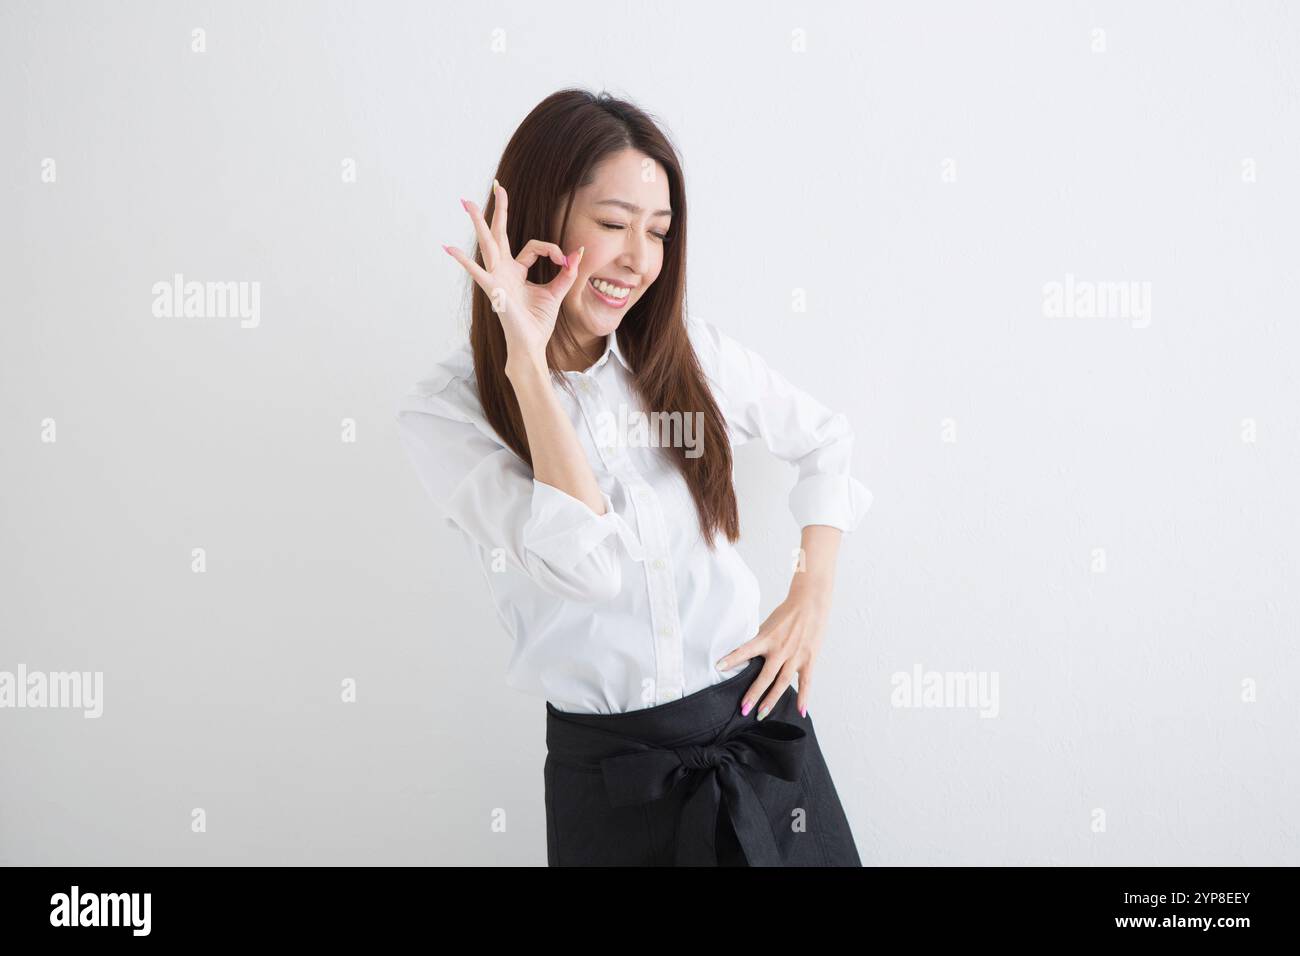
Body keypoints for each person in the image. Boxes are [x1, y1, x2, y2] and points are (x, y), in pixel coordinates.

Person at [396, 88, 871, 866]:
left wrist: (810, 595)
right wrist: (529, 364)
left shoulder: (689, 354)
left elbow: (825, 440)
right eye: (613, 225)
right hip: (617, 785)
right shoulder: (448, 416)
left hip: (762, 742)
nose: (639, 261)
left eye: (657, 232)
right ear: (541, 223)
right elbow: (583, 566)